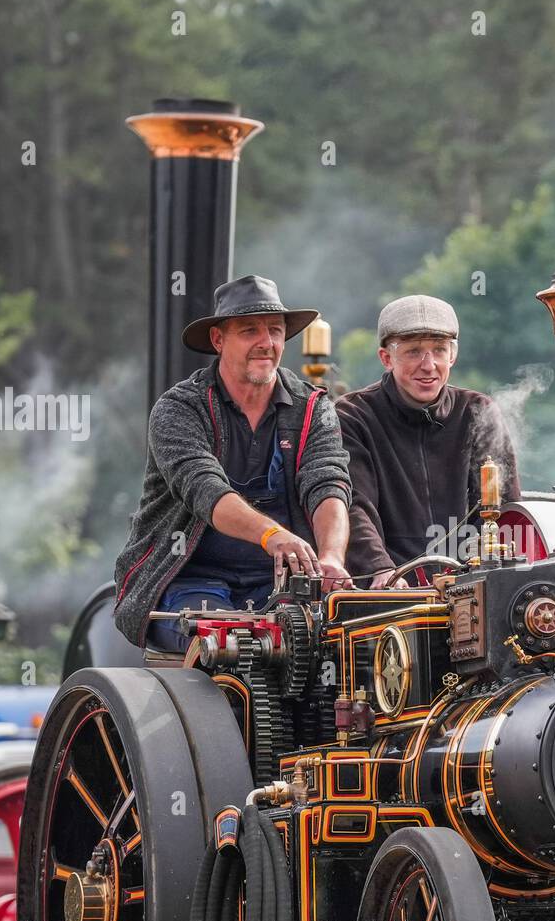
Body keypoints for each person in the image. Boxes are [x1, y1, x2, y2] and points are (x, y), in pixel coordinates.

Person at [114, 275, 353, 652]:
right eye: (249, 330)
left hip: (280, 586)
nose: (266, 343)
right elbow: (204, 487)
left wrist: (331, 558)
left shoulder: (314, 407)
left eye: (275, 331)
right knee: (227, 646)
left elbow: (328, 483)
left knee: (343, 647)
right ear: (218, 340)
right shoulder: (179, 408)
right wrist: (272, 535)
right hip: (187, 579)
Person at [336, 295, 520, 587]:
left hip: (470, 587)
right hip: (389, 592)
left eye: (438, 350)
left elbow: (506, 508)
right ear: (386, 358)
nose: (428, 365)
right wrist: (380, 569)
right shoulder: (353, 416)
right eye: (413, 352)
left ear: (453, 356)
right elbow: (353, 504)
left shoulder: (478, 412)